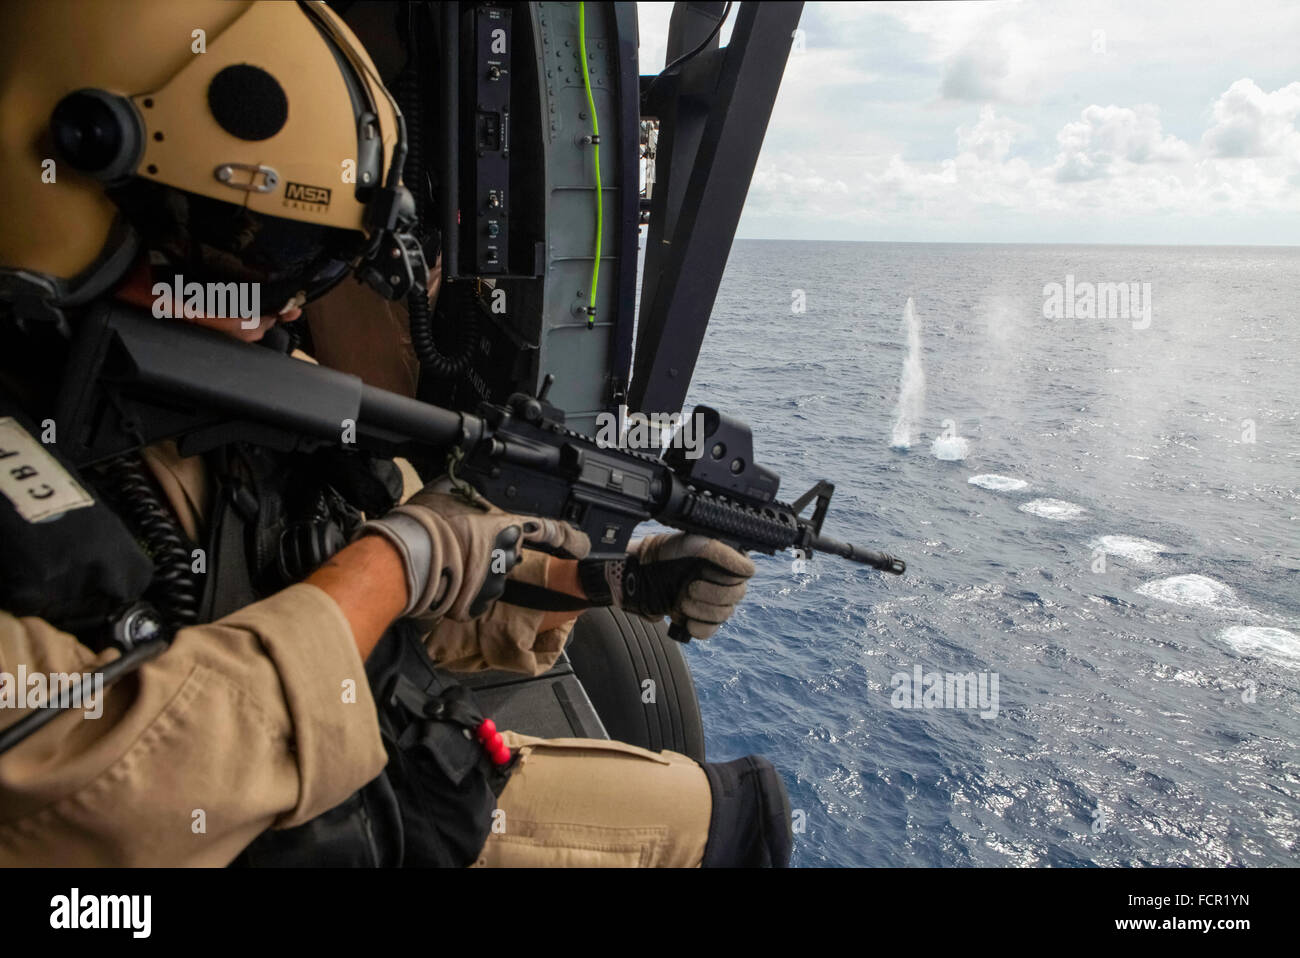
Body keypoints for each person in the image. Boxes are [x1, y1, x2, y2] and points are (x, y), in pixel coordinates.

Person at [0, 0, 793, 867]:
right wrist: (390, 562)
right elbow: (128, 800)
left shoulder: (229, 396)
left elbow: (418, 582)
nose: (296, 302)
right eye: (273, 251)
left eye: (328, 263)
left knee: (733, 816)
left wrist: (609, 581)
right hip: (255, 818)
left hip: (362, 778)